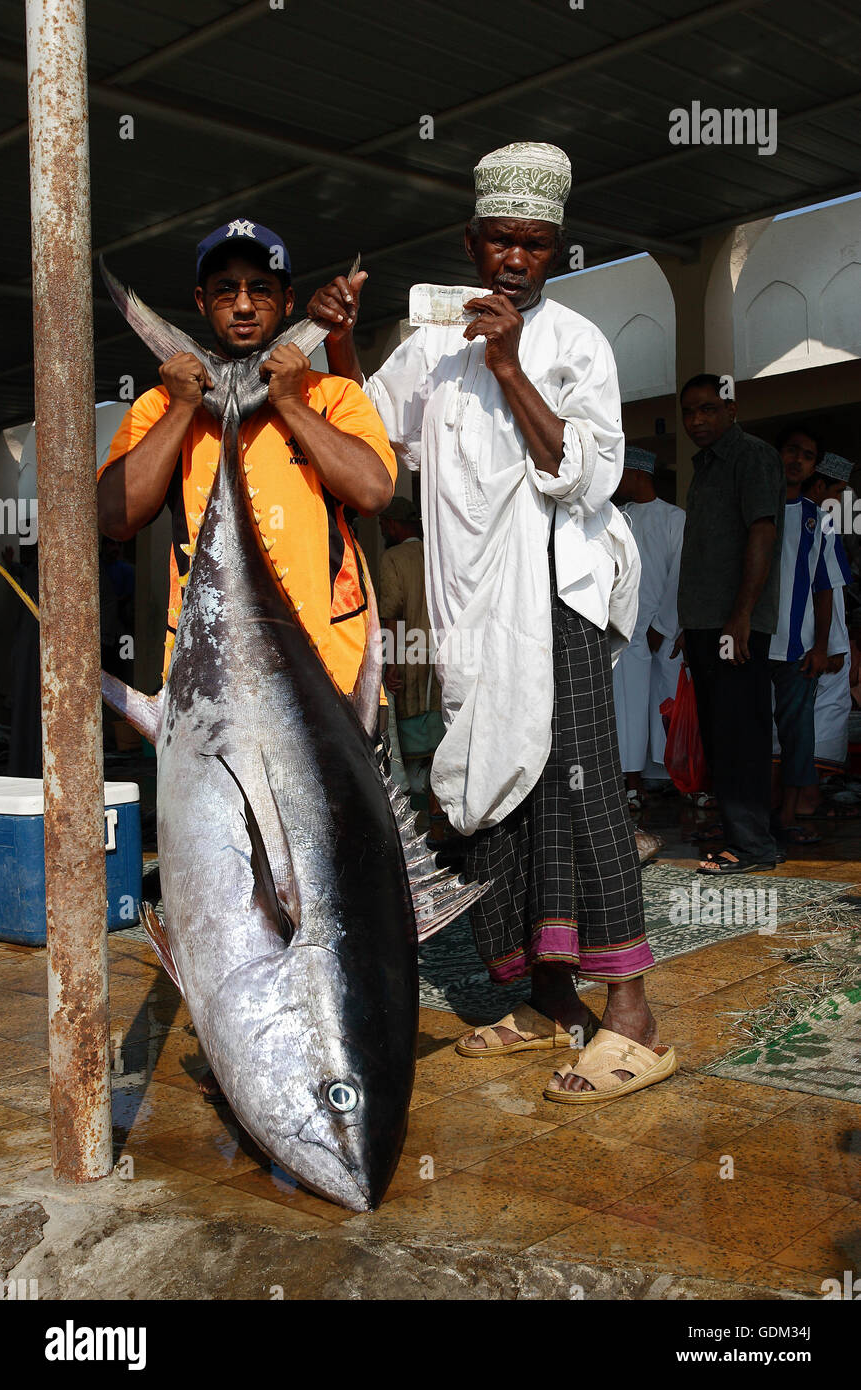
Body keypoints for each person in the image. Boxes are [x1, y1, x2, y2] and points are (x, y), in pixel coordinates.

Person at [309, 142, 675, 1105]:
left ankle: (631, 1015)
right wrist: (343, 344)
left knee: (582, 794)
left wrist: (511, 366)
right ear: (472, 241)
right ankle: (542, 995)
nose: (515, 261)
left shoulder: (577, 345)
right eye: (500, 242)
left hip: (558, 595)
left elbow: (586, 475)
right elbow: (374, 453)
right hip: (469, 604)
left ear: (557, 251)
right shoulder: (429, 346)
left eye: (536, 246)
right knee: (489, 800)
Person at [97, 218, 397, 1098]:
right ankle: (258, 1044)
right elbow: (117, 514)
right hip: (214, 702)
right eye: (223, 290)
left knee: (337, 896)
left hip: (331, 696)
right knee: (237, 877)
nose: (241, 303)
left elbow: (374, 491)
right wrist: (189, 404)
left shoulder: (335, 394)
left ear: (282, 298)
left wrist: (295, 400)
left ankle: (323, 1044)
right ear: (199, 303)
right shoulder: (160, 408)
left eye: (259, 289)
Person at [675, 375, 785, 875]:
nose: (697, 420)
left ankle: (755, 846)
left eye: (707, 409)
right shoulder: (705, 467)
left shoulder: (753, 457)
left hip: (732, 627)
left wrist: (739, 617)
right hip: (706, 625)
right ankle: (743, 834)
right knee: (721, 733)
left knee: (741, 732)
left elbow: (761, 534)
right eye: (689, 412)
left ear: (730, 409)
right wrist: (692, 623)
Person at [767, 423, 835, 846]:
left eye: (807, 456)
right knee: (747, 734)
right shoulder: (754, 508)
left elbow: (825, 588)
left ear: (813, 467)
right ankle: (748, 816)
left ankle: (788, 816)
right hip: (751, 646)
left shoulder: (820, 521)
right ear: (777, 454)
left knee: (797, 735)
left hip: (798, 649)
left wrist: (823, 646)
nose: (797, 460)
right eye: (791, 450)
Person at [611, 446, 684, 809]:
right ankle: (632, 781)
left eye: (621, 472)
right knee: (629, 706)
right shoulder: (617, 517)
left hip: (665, 631)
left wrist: (663, 624)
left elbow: (680, 576)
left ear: (639, 474)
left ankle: (676, 777)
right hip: (627, 630)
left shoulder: (674, 518)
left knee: (669, 703)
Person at [378, 496, 447, 840]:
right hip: (444, 659)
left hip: (409, 661)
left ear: (392, 525)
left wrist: (390, 663)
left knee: (413, 754)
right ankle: (440, 817)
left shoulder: (393, 558)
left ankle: (425, 825)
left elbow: (391, 616)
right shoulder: (439, 553)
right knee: (442, 743)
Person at [797, 451, 855, 813]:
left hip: (799, 641)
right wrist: (833, 643)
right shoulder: (821, 521)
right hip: (818, 641)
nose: (844, 501)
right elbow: (827, 591)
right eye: (840, 491)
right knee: (826, 711)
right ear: (820, 486)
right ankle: (809, 797)